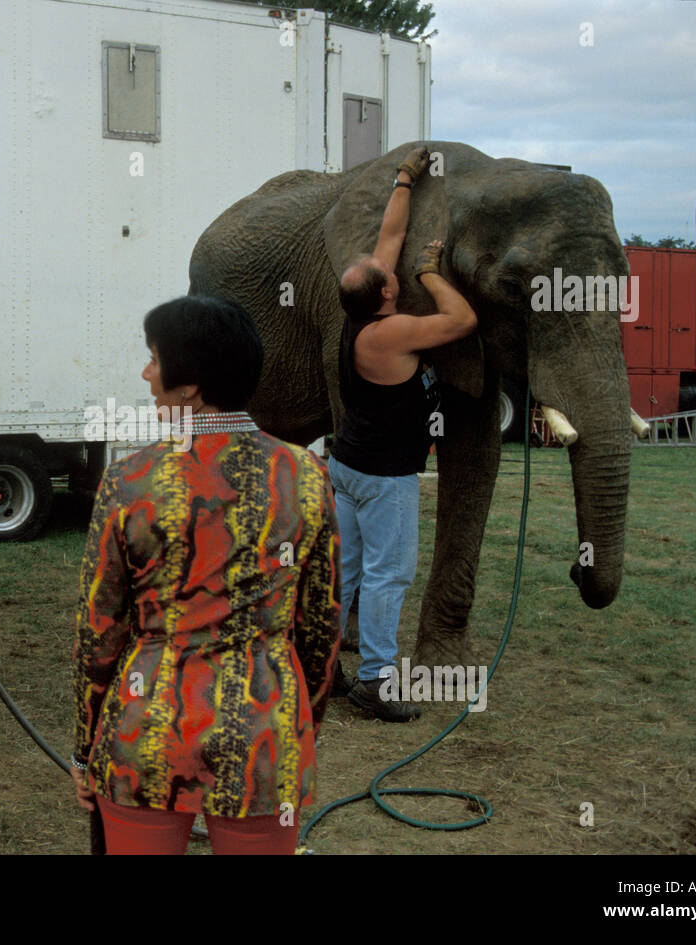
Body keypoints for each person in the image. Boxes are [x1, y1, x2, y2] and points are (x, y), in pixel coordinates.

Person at [70, 294, 341, 855]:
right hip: (263, 726)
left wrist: (85, 745)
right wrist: (298, 716)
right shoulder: (307, 476)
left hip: (147, 728)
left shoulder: (129, 481)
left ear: (188, 383)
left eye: (153, 359)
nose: (146, 373)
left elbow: (98, 633)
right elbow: (322, 625)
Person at [328, 146, 478, 722]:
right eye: (390, 276)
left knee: (345, 572)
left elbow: (388, 238)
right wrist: (431, 274)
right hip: (384, 478)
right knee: (388, 577)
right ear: (386, 292)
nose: (389, 269)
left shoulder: (358, 312)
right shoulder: (390, 334)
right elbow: (462, 321)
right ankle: (376, 683)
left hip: (349, 466)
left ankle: (321, 671)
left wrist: (404, 180)